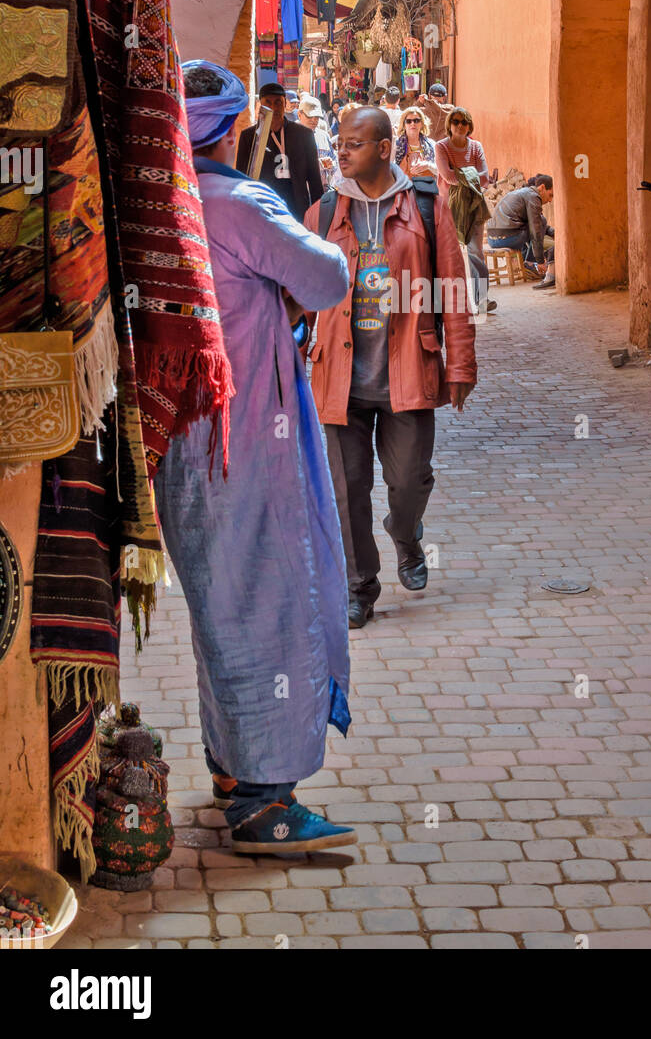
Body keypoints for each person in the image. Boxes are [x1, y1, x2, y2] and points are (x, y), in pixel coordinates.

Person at [155, 60, 357, 855]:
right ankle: (264, 803)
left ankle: (233, 771)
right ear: (233, 128)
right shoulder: (238, 204)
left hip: (181, 441)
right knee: (267, 606)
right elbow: (327, 276)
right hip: (249, 442)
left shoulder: (157, 210)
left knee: (218, 604)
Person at [304, 105, 477, 629]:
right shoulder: (324, 211)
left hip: (407, 371)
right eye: (340, 141)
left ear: (384, 148)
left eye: (354, 143)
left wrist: (461, 363)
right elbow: (302, 296)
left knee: (406, 484)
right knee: (345, 490)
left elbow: (451, 285)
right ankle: (360, 586)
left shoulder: (426, 206)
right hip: (340, 379)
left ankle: (406, 534)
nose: (342, 150)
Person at [435, 107, 495, 313]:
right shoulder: (441, 147)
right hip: (449, 207)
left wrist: (460, 173)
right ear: (449, 125)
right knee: (450, 254)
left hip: (474, 205)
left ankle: (482, 299)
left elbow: (485, 176)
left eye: (464, 122)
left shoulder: (476, 146)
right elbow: (447, 176)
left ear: (469, 126)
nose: (460, 126)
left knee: (476, 252)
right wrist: (471, 174)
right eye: (456, 122)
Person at [236, 82, 323, 220]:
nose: (273, 107)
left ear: (285, 104)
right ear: (260, 105)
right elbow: (241, 179)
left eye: (278, 102)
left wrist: (319, 218)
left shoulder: (303, 135)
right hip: (261, 212)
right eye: (268, 102)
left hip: (296, 212)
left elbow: (315, 180)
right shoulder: (250, 137)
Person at [487, 173, 555, 283]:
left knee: (530, 225)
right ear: (542, 188)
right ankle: (530, 264)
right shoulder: (534, 197)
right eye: (550, 195)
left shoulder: (524, 194)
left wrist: (551, 232)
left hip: (492, 239)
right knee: (540, 222)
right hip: (505, 238)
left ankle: (525, 265)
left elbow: (533, 222)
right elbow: (536, 229)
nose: (550, 200)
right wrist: (540, 260)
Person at [297, 92, 337, 186]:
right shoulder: (290, 136)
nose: (314, 120)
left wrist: (332, 164)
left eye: (317, 117)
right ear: (299, 115)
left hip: (322, 194)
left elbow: (334, 165)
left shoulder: (324, 136)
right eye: (310, 116)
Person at [394, 106, 437, 178]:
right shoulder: (396, 145)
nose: (412, 124)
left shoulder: (432, 144)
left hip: (426, 187)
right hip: (404, 187)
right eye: (408, 121)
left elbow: (440, 171)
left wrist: (428, 166)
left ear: (422, 124)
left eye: (416, 120)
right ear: (404, 125)